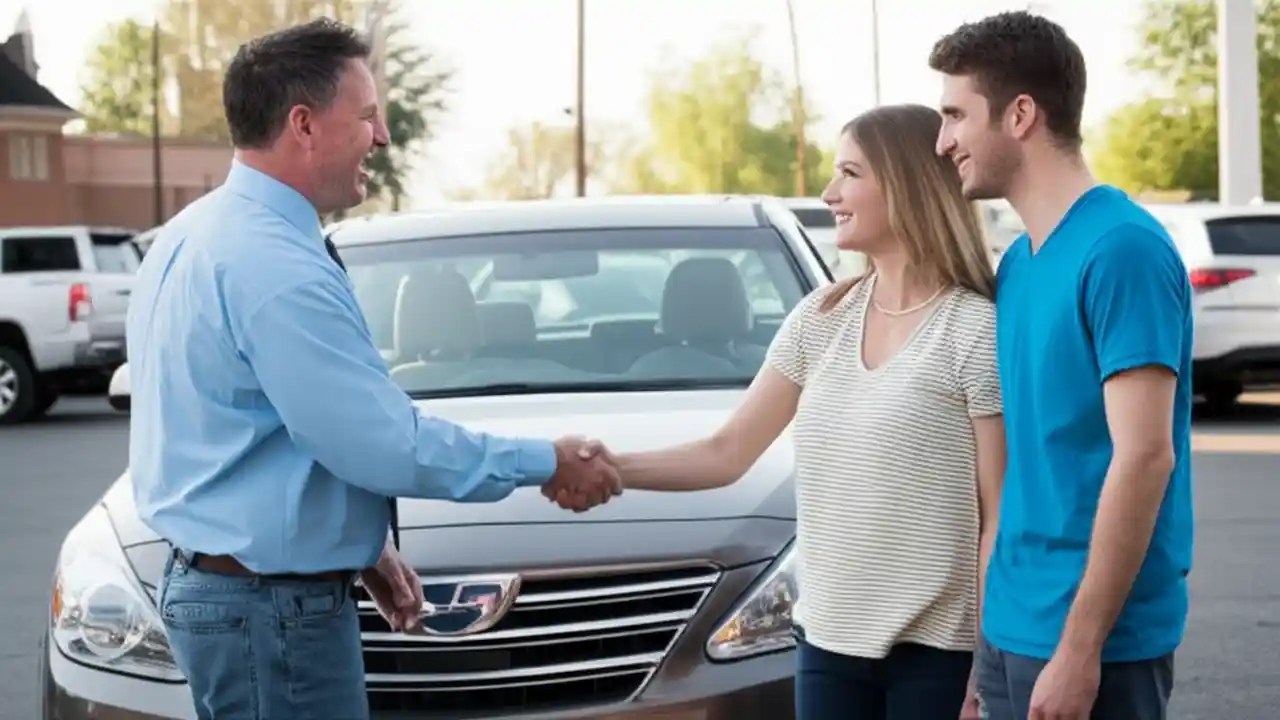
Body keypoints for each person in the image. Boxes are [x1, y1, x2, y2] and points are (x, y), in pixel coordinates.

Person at [125, 19, 619, 720]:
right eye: (366, 116)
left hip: (240, 597)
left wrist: (361, 549)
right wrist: (547, 460)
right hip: (271, 615)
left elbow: (249, 428)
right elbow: (385, 445)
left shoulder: (193, 234)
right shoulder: (276, 267)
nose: (382, 137)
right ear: (304, 124)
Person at [564, 104, 1007, 720]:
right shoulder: (821, 318)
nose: (829, 194)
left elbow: (999, 515)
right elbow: (727, 453)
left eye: (849, 174)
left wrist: (988, 667)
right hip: (826, 646)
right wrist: (610, 467)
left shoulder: (974, 329)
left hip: (938, 654)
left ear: (906, 184)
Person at [929, 11, 1194, 720]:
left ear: (1020, 115)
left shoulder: (1123, 250)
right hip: (1014, 624)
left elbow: (1144, 456)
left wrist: (1079, 651)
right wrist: (987, 648)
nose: (942, 140)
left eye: (956, 115)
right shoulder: (1019, 263)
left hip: (1097, 642)